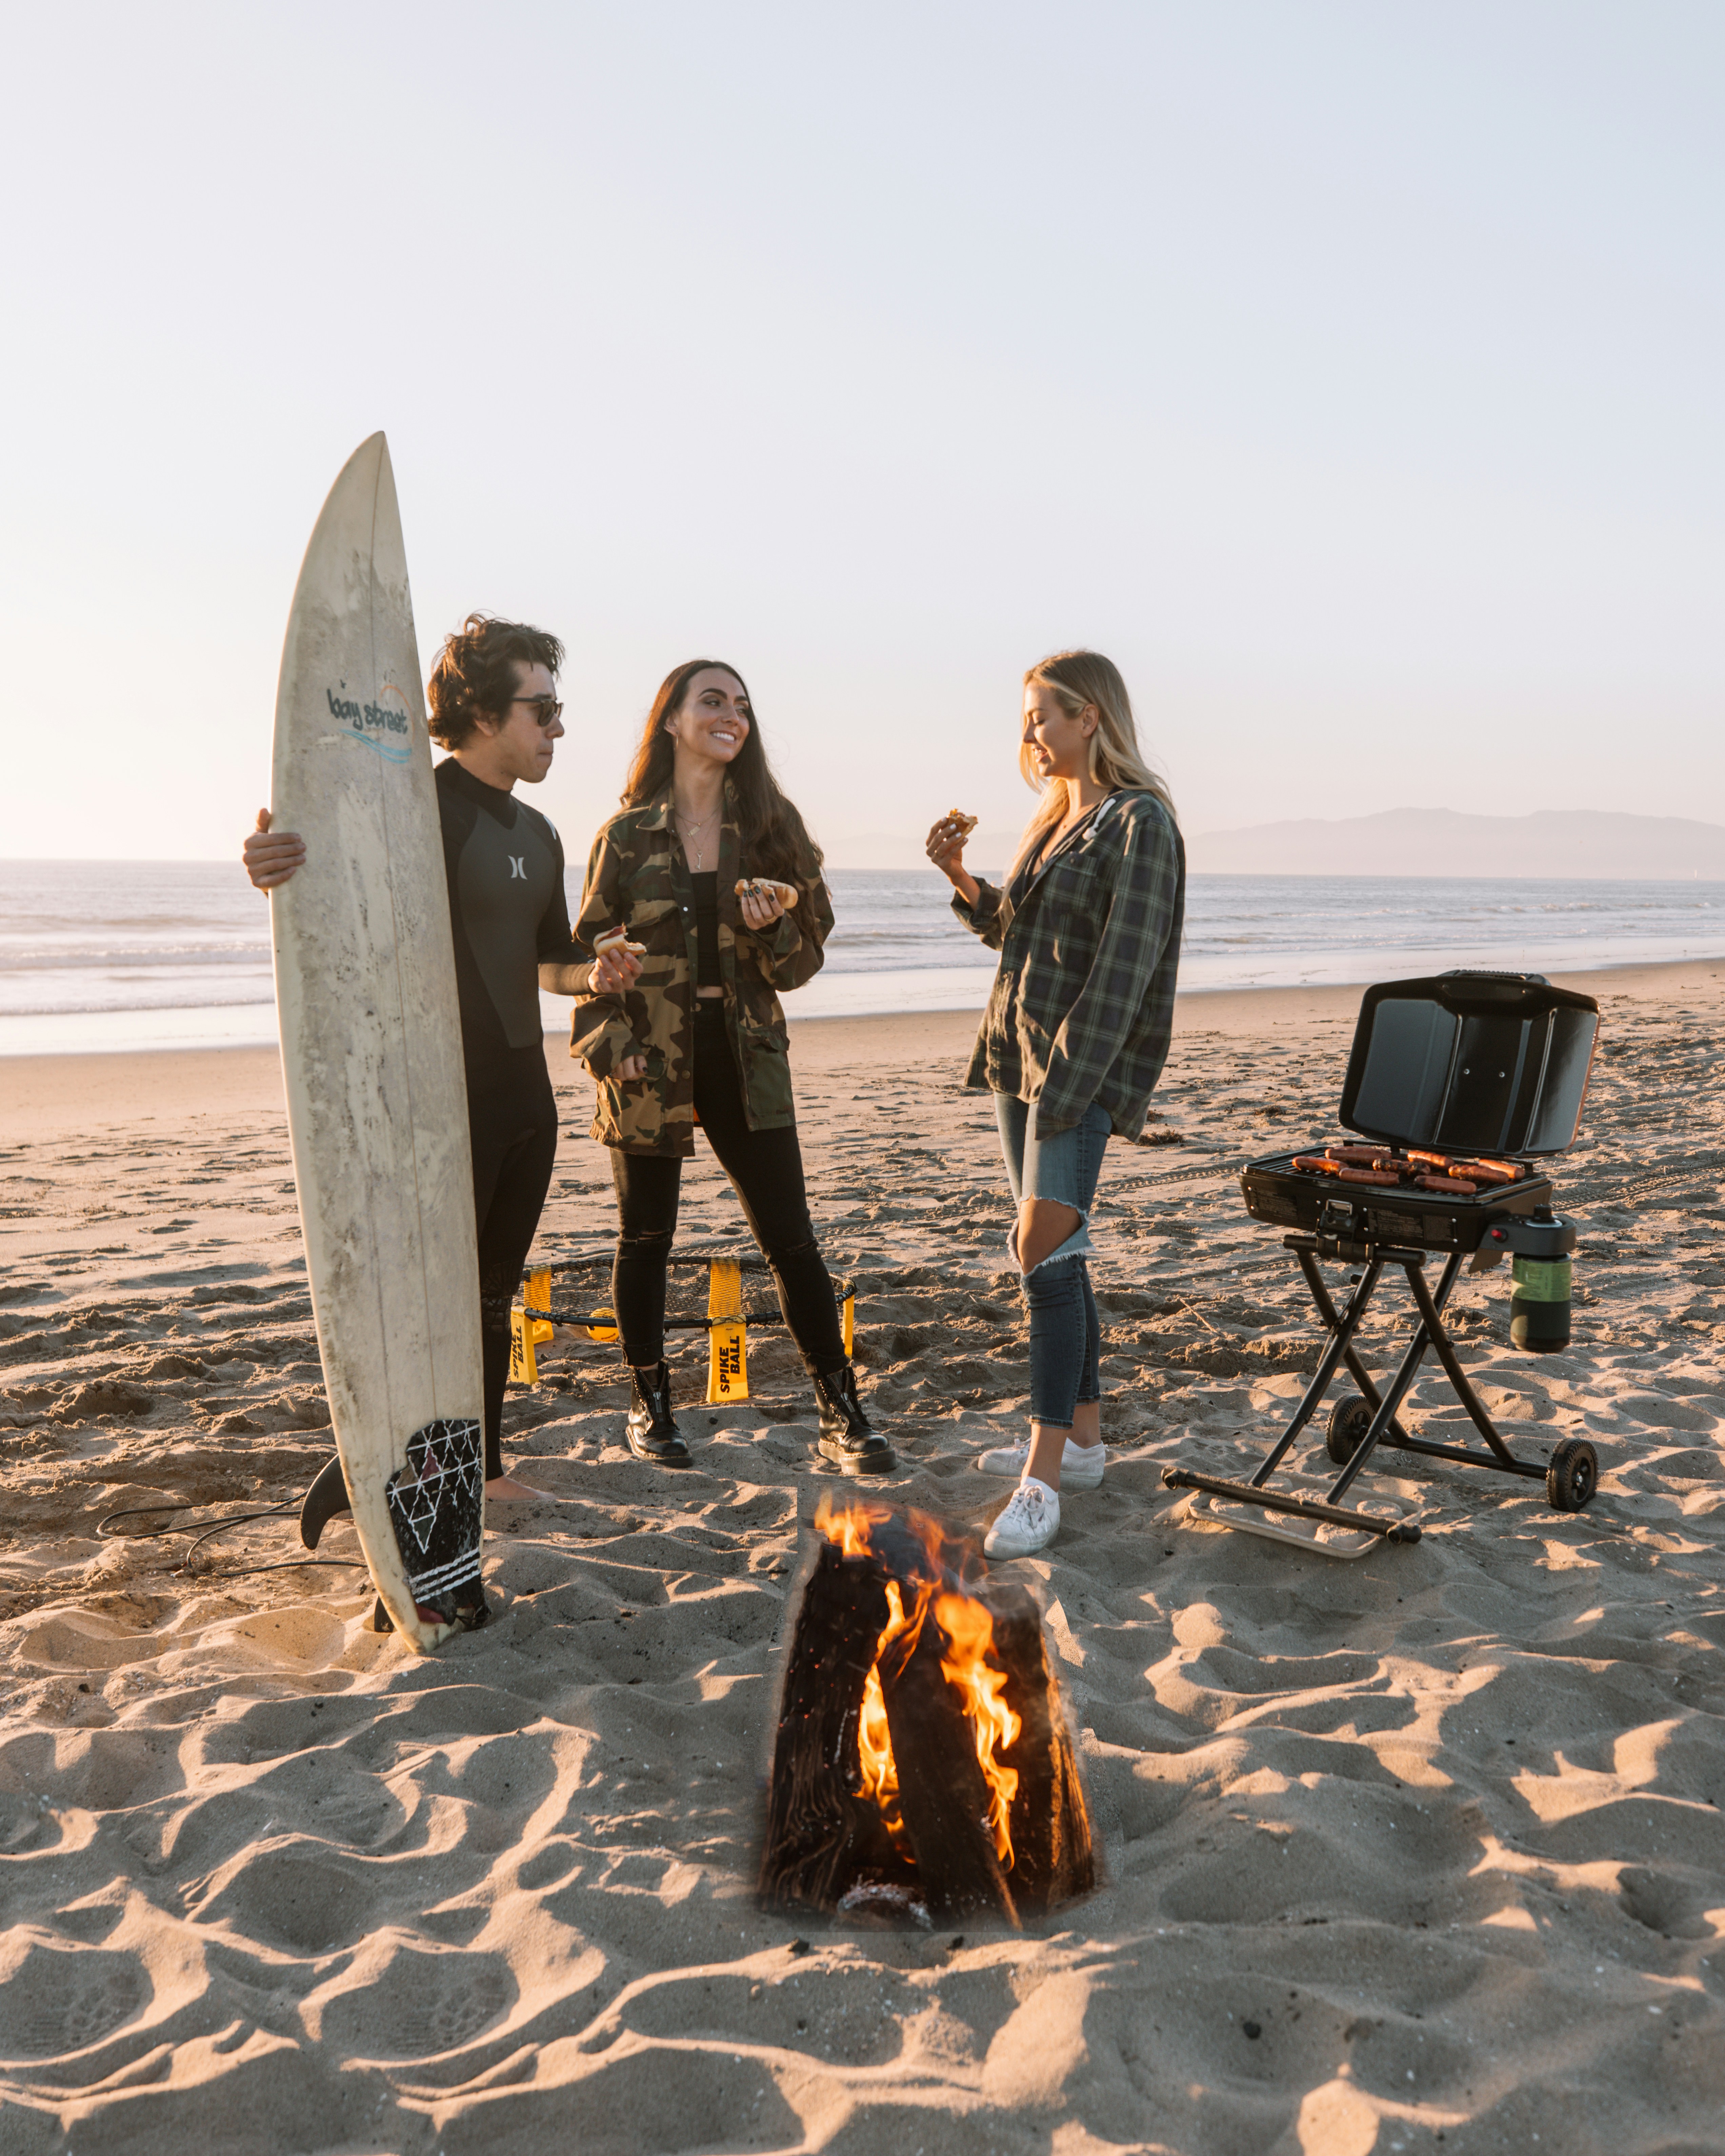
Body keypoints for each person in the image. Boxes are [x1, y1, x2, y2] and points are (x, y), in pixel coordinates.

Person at [243, 613, 633, 1534]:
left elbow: (552, 962)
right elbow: (319, 893)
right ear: (483, 712)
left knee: (492, 1291)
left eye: (557, 707)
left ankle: (484, 1467)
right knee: (420, 1296)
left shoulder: (539, 832)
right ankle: (374, 1454)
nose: (559, 728)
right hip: (432, 1102)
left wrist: (599, 971)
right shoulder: (402, 807)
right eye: (543, 708)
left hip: (524, 1103)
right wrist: (267, 868)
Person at [570, 658, 892, 1475]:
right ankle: (649, 1406)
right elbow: (582, 965)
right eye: (712, 701)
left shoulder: (774, 828)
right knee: (645, 1238)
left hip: (748, 1056)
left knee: (792, 1241)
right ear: (671, 720)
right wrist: (612, 1047)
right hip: (648, 1063)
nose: (733, 715)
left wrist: (769, 929)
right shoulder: (623, 836)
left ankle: (842, 1412)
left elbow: (801, 962)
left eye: (743, 705)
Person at [927, 649, 1184, 1558]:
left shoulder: (1138, 822)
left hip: (1076, 1074)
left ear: (1091, 718)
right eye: (1026, 717)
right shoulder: (1053, 821)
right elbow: (1018, 934)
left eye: (1043, 714)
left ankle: (1039, 1484)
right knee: (1057, 1255)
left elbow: (1122, 971)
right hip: (1017, 1060)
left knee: (1041, 1249)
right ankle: (1081, 1443)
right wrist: (963, 878)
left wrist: (1069, 1097)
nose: (1030, 732)